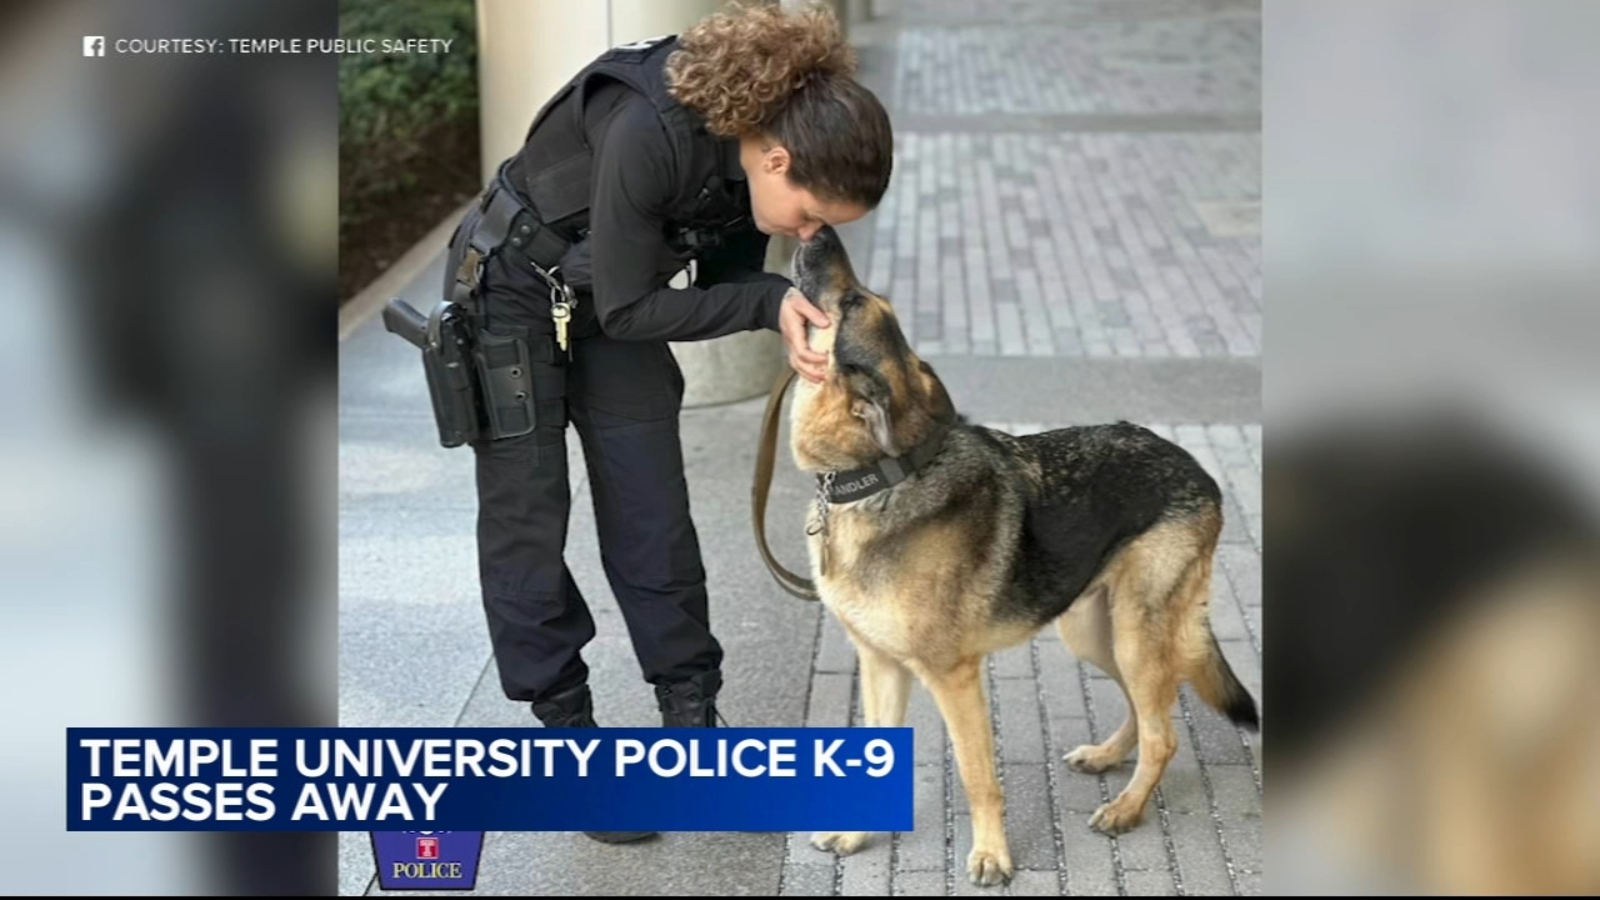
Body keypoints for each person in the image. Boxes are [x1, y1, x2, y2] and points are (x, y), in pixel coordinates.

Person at [446, 3, 892, 843]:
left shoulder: (749, 170)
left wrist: (771, 303)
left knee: (651, 506)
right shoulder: (654, 129)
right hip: (513, 293)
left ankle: (692, 721)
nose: (807, 235)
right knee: (527, 518)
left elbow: (691, 292)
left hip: (612, 301)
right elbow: (636, 304)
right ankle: (568, 743)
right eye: (807, 215)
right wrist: (768, 301)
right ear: (778, 157)